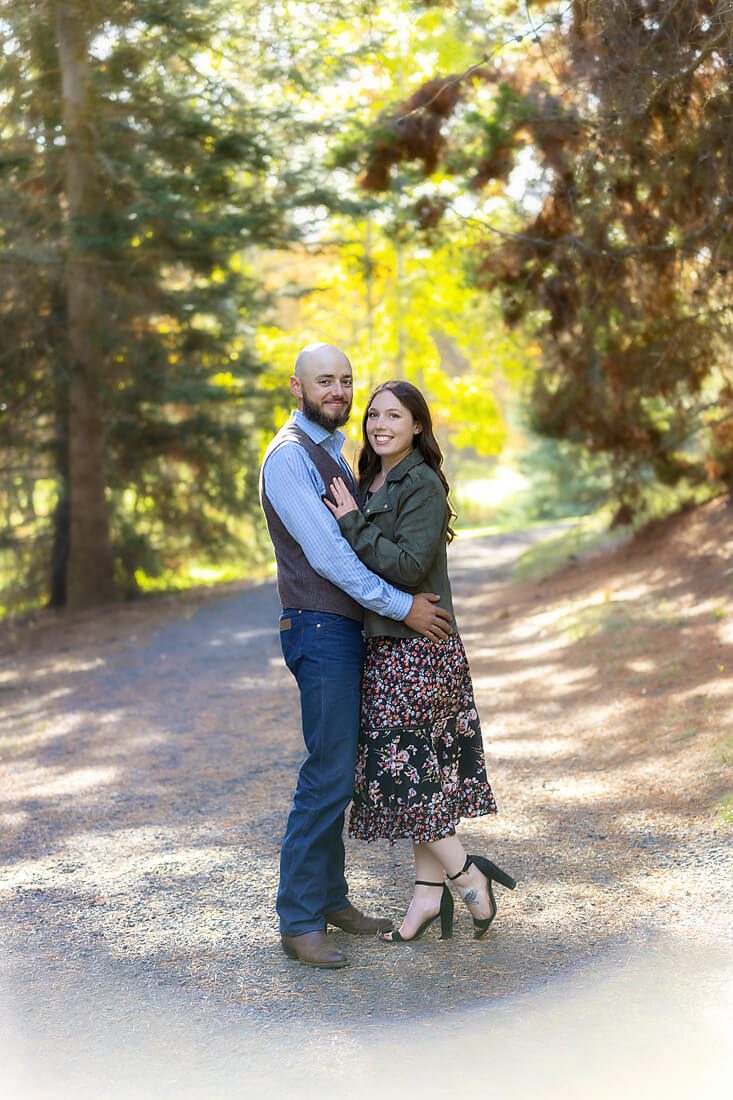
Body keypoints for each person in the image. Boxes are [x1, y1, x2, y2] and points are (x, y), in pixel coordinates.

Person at [259, 344, 454, 969]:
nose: (339, 391)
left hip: (345, 630)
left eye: (346, 381)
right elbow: (329, 558)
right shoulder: (291, 459)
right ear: (297, 386)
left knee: (341, 771)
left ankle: (332, 900)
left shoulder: (335, 455)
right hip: (318, 627)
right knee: (326, 772)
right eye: (325, 381)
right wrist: (401, 607)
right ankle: (298, 919)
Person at [324, 380, 516, 942]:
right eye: (372, 415)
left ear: (416, 426)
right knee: (419, 781)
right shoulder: (370, 478)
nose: (379, 424)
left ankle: (466, 874)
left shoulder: (421, 482)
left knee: (402, 781)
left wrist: (351, 523)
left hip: (420, 653)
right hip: (388, 648)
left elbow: (407, 568)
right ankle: (426, 900)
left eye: (393, 416)